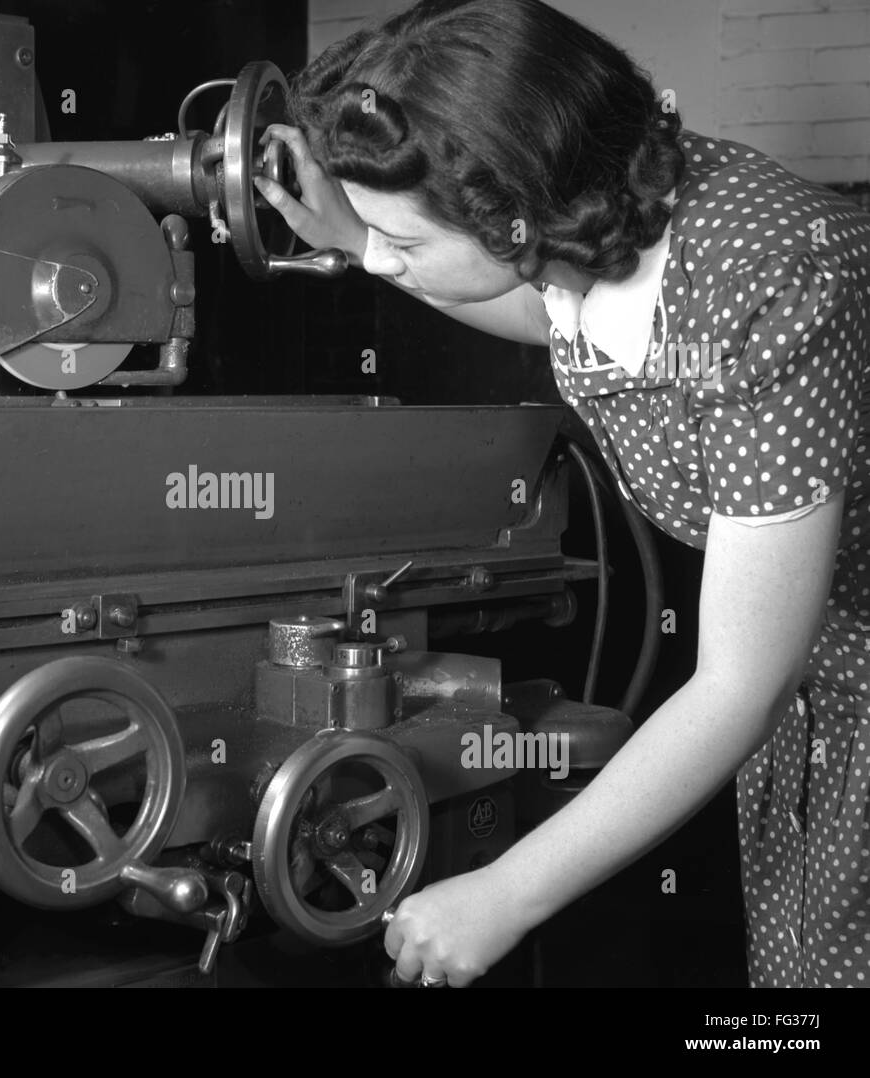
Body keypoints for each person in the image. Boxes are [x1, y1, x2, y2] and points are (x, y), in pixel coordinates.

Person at [254, 0, 870, 988]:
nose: (382, 261)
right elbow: (555, 315)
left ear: (512, 220)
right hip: (817, 692)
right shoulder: (594, 215)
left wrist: (508, 890)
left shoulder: (772, 287)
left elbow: (734, 686)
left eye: (399, 242)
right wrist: (359, 240)